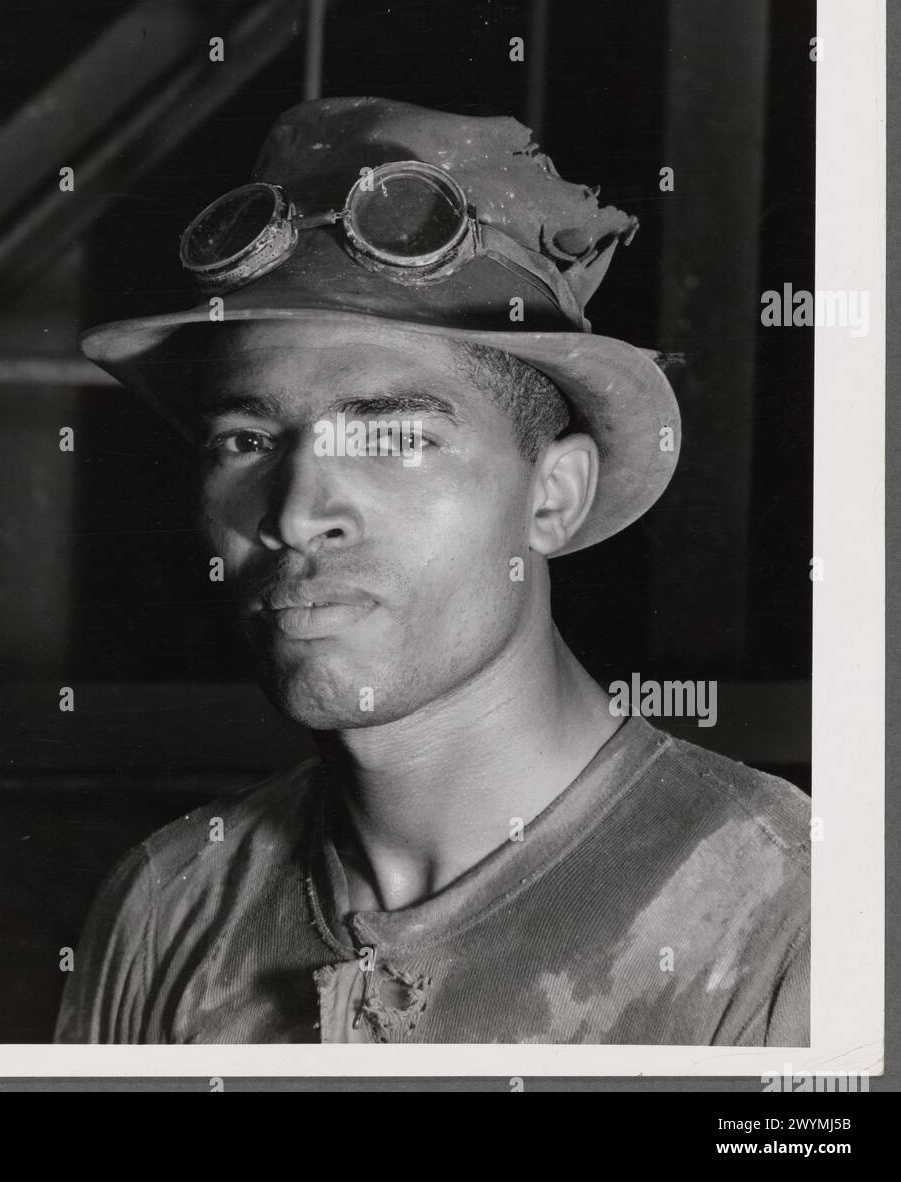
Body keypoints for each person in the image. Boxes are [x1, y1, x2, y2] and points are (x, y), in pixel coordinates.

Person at [55, 97, 809, 1045]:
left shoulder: (785, 914)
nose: (295, 512)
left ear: (552, 496)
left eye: (394, 437)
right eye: (247, 439)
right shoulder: (170, 910)